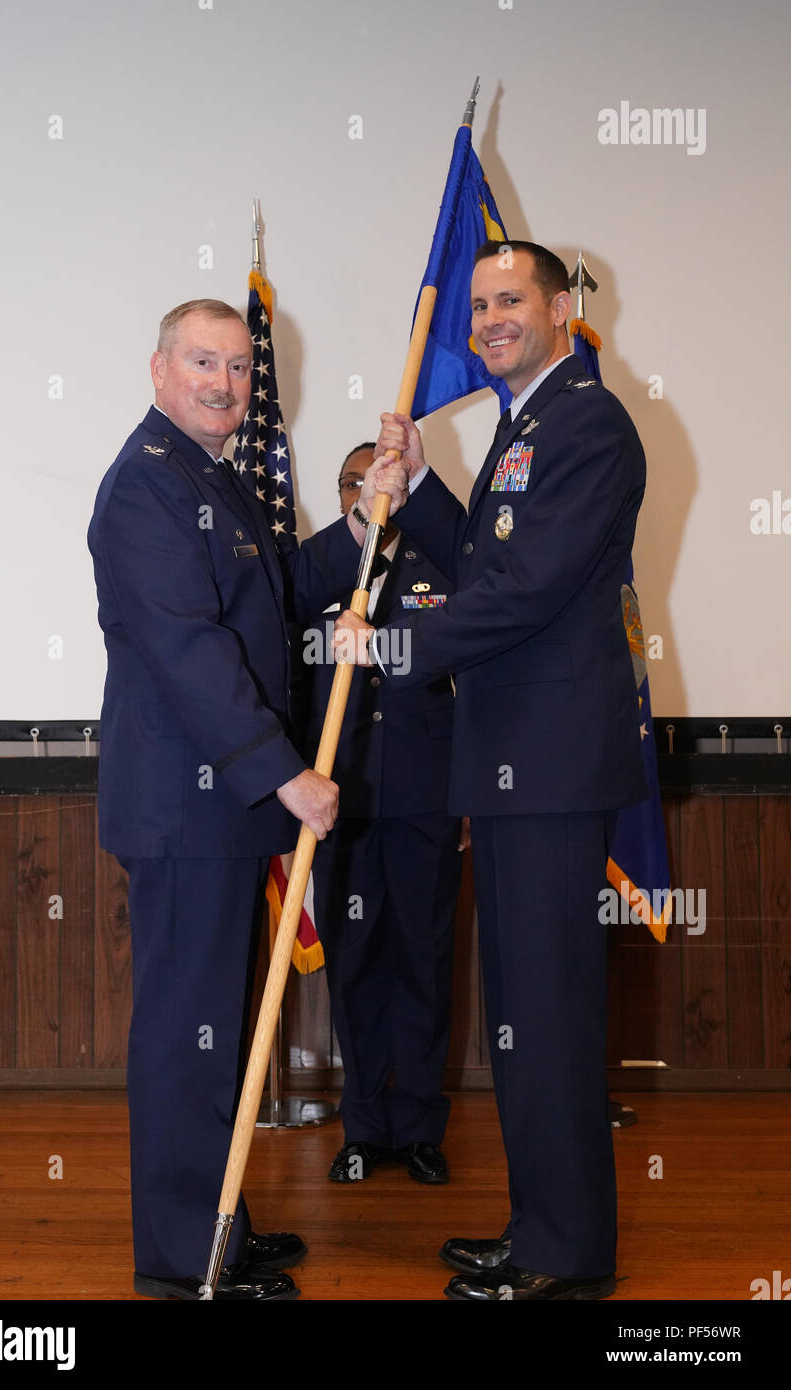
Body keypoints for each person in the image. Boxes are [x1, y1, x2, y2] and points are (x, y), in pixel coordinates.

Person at [333, 241, 648, 1300]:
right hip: (511, 766)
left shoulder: (590, 422)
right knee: (521, 1012)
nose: (490, 318)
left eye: (511, 299)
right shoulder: (527, 424)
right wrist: (420, 488)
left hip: (552, 768)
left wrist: (390, 649)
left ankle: (564, 1251)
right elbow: (488, 557)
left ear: (562, 309)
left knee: (549, 1014)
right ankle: (539, 1227)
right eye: (478, 304)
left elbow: (525, 590)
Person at [87, 299, 407, 1300]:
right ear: (158, 369)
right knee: (188, 1031)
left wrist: (361, 521)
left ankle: (218, 1219)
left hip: (218, 812)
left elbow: (272, 593)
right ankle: (185, 1256)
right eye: (201, 362)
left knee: (217, 1030)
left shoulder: (209, 482)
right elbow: (191, 654)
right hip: (189, 811)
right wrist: (285, 769)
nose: (223, 381)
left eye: (235, 366)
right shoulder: (143, 490)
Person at [302, 443, 465, 1187]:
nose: (369, 492)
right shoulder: (315, 569)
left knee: (423, 962)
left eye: (382, 481)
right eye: (353, 482)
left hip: (425, 801)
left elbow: (468, 668)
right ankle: (364, 1126)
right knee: (355, 965)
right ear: (339, 492)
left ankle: (421, 1126)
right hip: (339, 803)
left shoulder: (441, 563)